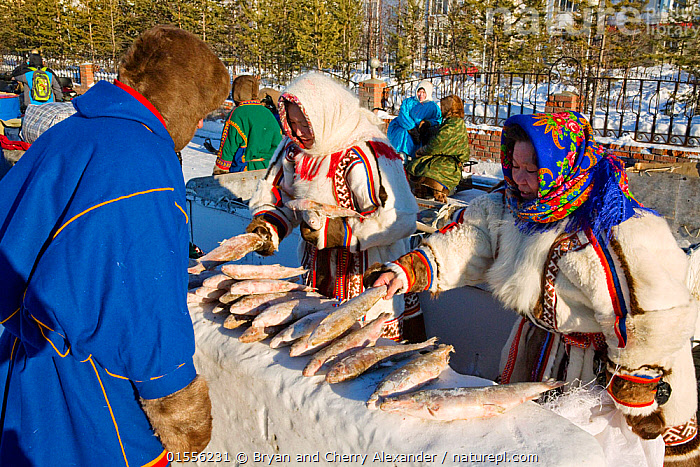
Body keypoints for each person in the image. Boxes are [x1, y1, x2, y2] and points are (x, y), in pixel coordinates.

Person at [367, 111, 699, 466]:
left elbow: (650, 317)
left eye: (532, 170)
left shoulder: (613, 228)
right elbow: (471, 240)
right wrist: (410, 270)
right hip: (541, 352)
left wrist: (636, 389)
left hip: (608, 371)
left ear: (561, 165)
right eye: (513, 166)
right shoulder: (511, 205)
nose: (519, 179)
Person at [0, 25, 230, 465]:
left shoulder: (72, 132)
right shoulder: (144, 164)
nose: (202, 123)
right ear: (177, 96)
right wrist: (176, 398)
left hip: (25, 365)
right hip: (88, 395)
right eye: (201, 109)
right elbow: (141, 305)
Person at [246, 72, 424, 341]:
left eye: (305, 124)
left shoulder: (365, 150)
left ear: (324, 116)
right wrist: (269, 225)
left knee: (359, 357)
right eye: (292, 123)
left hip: (367, 277)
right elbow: (278, 193)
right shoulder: (294, 148)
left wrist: (337, 233)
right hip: (316, 274)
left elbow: (399, 218)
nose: (297, 132)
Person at [406, 95, 471, 202]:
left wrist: (422, 151)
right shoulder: (453, 122)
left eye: (443, 107)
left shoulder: (453, 125)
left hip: (449, 162)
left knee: (422, 166)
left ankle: (434, 194)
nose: (441, 110)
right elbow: (440, 132)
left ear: (449, 108)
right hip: (446, 158)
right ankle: (423, 191)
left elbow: (438, 144)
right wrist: (428, 125)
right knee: (420, 164)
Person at [213, 75, 282, 174]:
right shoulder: (267, 113)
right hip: (268, 169)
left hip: (244, 171)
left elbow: (229, 144)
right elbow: (278, 142)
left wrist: (220, 168)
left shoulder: (237, 114)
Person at [387, 79, 441, 160]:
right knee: (404, 133)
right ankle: (402, 154)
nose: (421, 95)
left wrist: (427, 123)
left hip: (422, 131)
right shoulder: (408, 102)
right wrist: (411, 128)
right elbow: (403, 116)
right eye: (419, 92)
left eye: (424, 92)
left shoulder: (433, 106)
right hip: (405, 126)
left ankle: (413, 155)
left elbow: (437, 120)